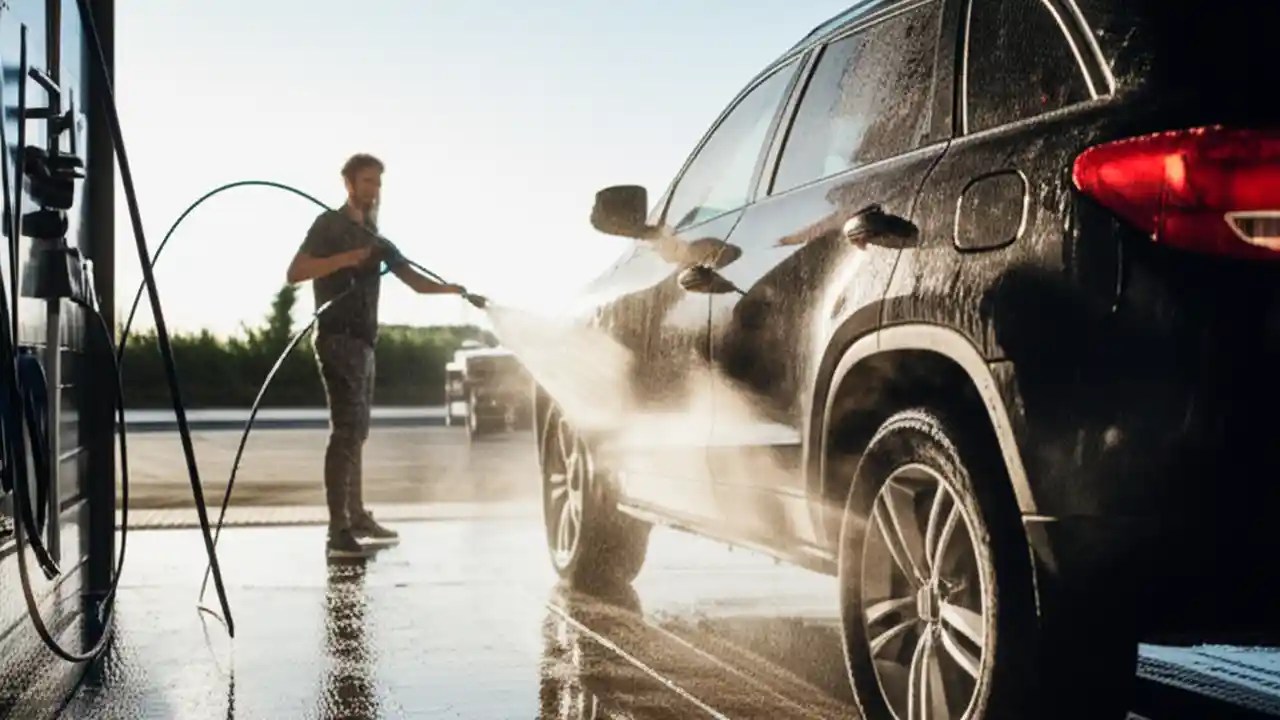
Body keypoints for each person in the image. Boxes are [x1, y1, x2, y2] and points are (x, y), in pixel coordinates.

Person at [287, 153, 467, 558]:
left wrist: (451, 290)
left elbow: (414, 281)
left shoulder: (377, 239)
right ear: (348, 183)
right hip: (337, 339)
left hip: (365, 343)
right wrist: (346, 259)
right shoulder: (329, 226)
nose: (374, 190)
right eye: (367, 181)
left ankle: (356, 516)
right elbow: (296, 271)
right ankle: (338, 531)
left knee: (358, 433)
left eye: (378, 183)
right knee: (345, 432)